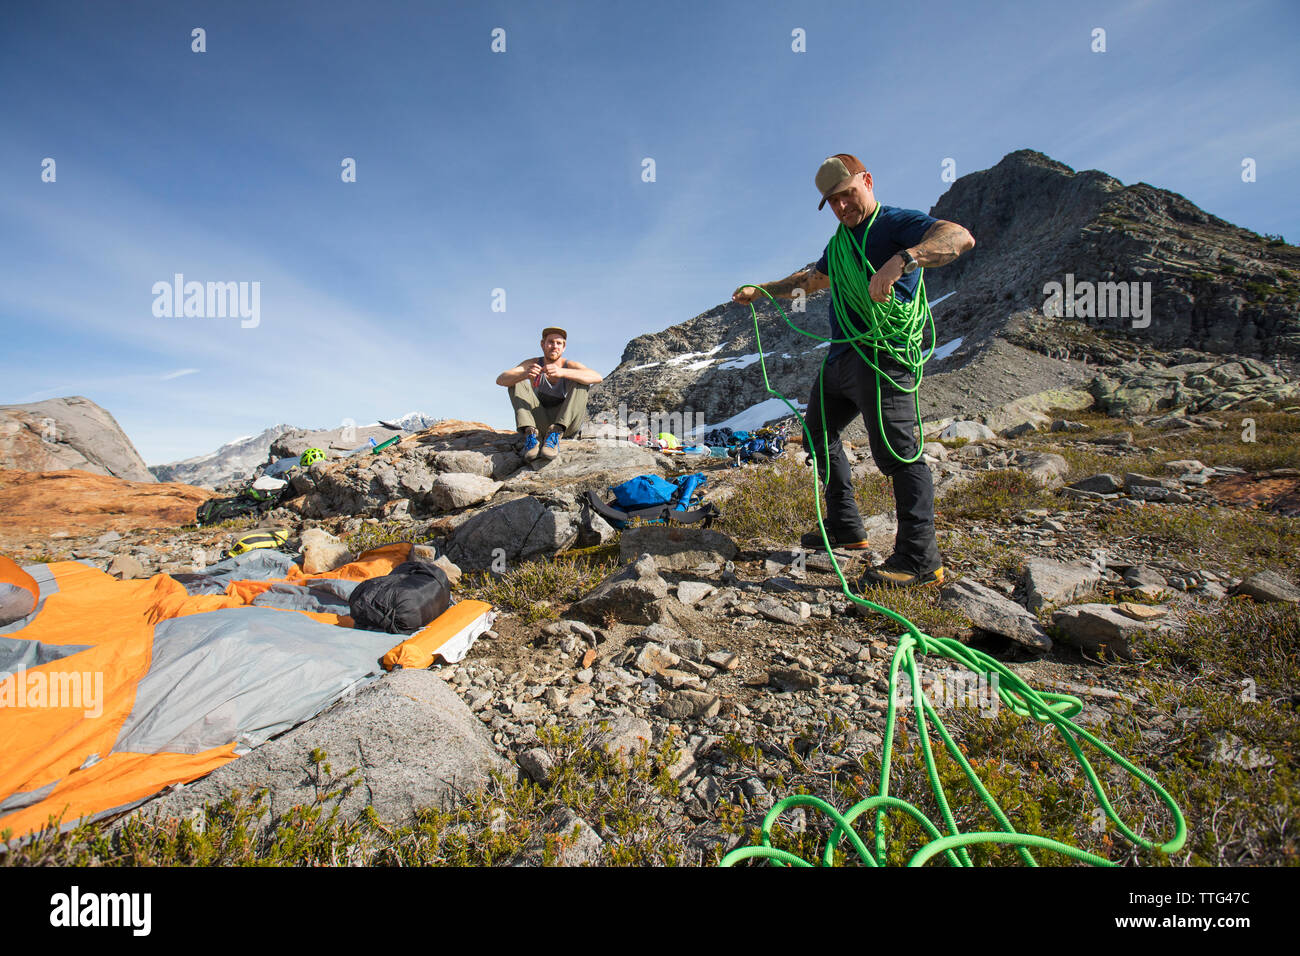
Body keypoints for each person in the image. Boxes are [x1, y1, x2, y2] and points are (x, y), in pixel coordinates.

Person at [732, 154, 975, 587]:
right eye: (832, 202)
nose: (842, 207)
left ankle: (920, 559)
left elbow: (958, 238)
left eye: (847, 195)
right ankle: (846, 526)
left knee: (898, 453)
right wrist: (761, 290)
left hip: (882, 355)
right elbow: (810, 282)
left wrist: (905, 258)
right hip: (842, 356)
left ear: (867, 181)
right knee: (818, 432)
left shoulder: (895, 224)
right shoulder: (839, 243)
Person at [496, 327, 604, 461]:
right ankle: (531, 436)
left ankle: (555, 433)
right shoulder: (533, 363)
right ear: (543, 344)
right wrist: (524, 374)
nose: (554, 346)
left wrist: (562, 372)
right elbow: (501, 379)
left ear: (563, 347)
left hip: (566, 424)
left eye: (559, 343)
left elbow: (597, 377)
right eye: (550, 342)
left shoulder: (569, 365)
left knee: (582, 381)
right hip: (540, 421)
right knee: (516, 380)